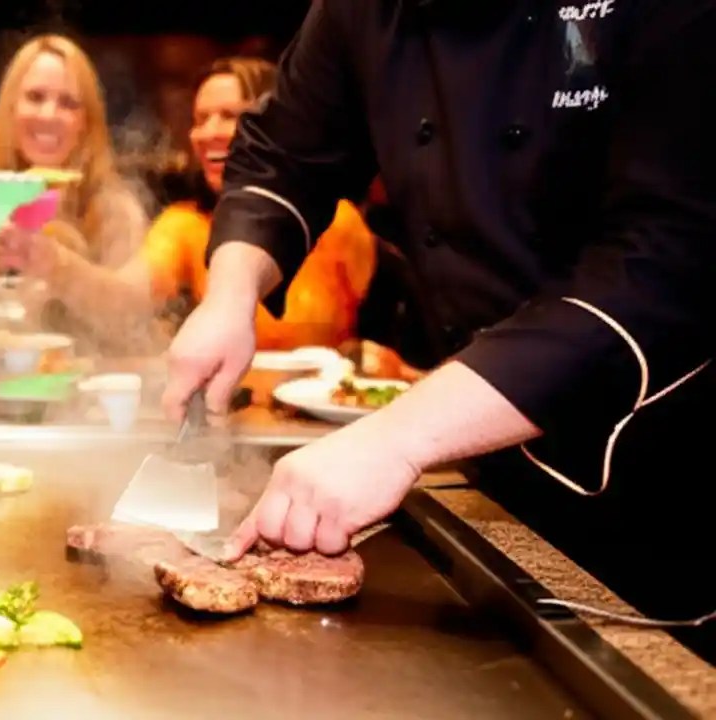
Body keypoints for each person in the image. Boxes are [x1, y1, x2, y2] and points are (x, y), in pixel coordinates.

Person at [163, 0, 715, 659]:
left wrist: (396, 438)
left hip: (668, 498)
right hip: (490, 468)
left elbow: (668, 265)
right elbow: (282, 155)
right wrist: (229, 295)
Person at [138, 56, 380, 350]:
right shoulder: (184, 223)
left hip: (324, 392)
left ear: (272, 129)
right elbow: (132, 294)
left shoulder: (338, 222)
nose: (208, 133)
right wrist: (66, 263)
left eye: (230, 116)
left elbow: (381, 330)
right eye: (200, 119)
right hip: (238, 393)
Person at [0, 34, 157, 354]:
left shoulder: (114, 206)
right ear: (10, 108)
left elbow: (132, 318)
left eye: (68, 103)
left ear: (86, 123)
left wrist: (58, 265)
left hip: (82, 387)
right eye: (35, 97)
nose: (48, 115)